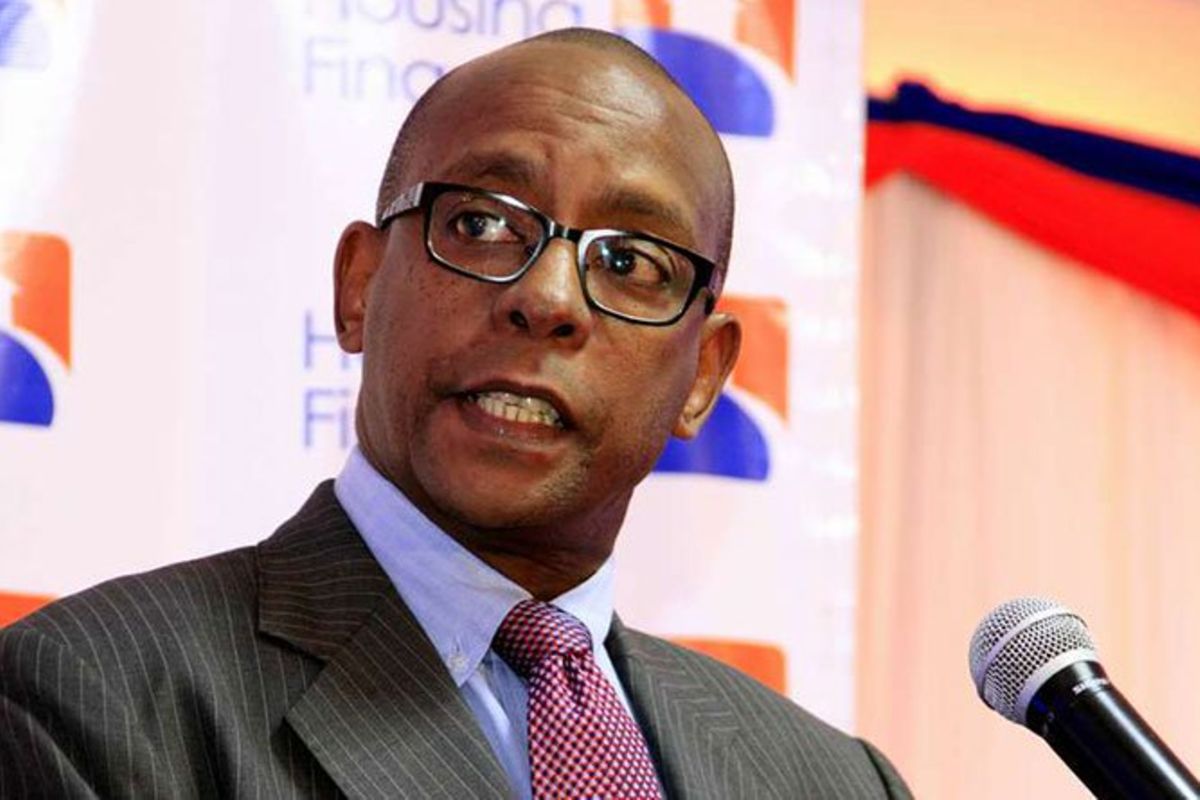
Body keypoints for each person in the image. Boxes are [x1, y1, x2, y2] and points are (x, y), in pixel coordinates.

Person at [0, 28, 911, 799]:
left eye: (630, 262)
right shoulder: (90, 702)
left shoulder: (835, 782)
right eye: (482, 223)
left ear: (703, 377)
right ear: (358, 288)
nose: (548, 298)